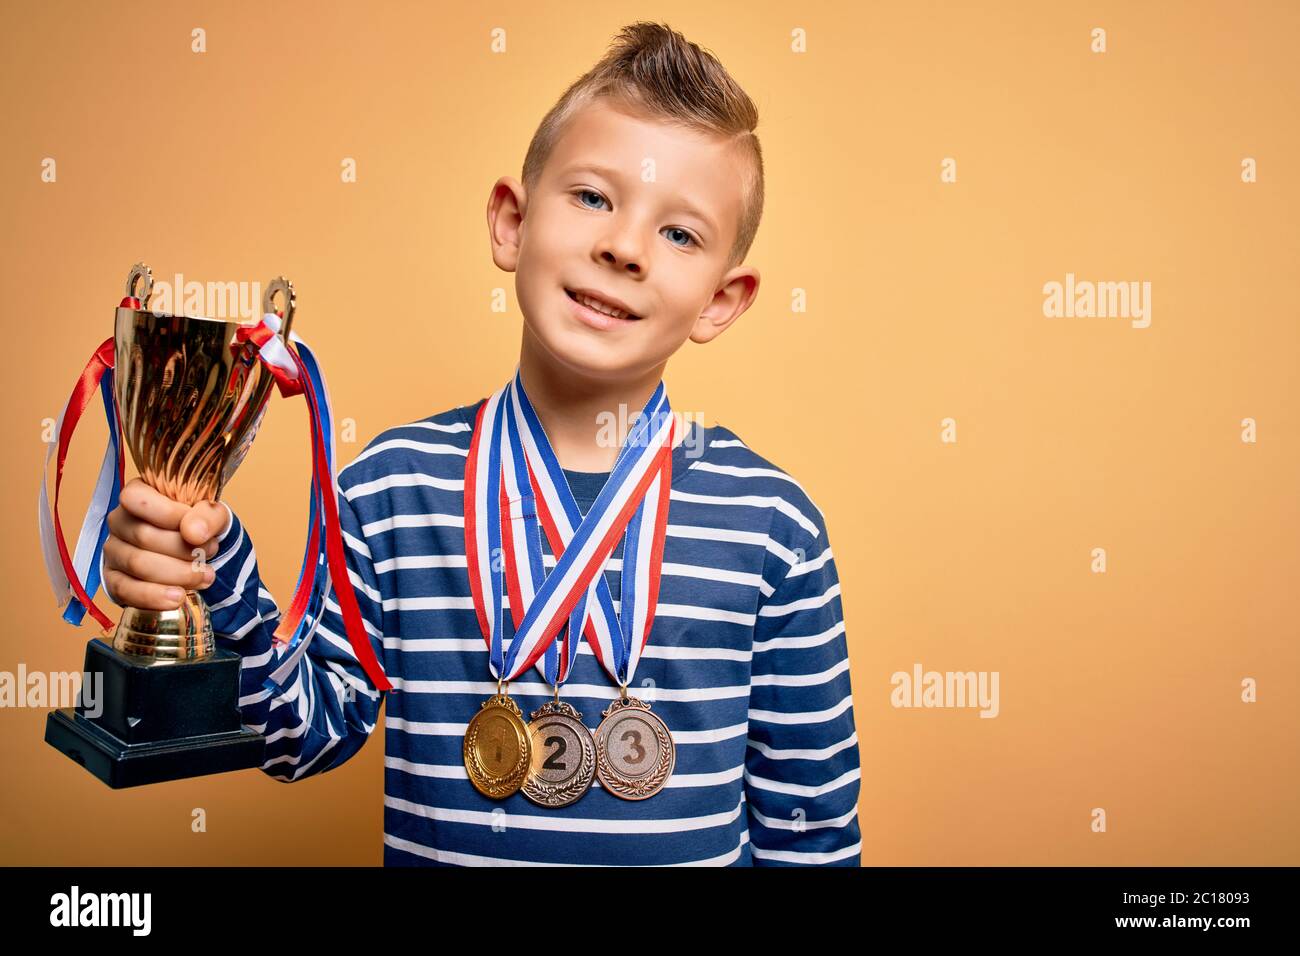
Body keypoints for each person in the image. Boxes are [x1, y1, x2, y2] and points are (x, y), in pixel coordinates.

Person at [102, 21, 861, 866]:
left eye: (679, 234)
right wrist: (205, 569)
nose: (622, 247)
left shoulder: (773, 525)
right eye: (593, 198)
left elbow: (812, 828)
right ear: (510, 222)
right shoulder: (389, 489)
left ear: (722, 300)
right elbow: (300, 736)